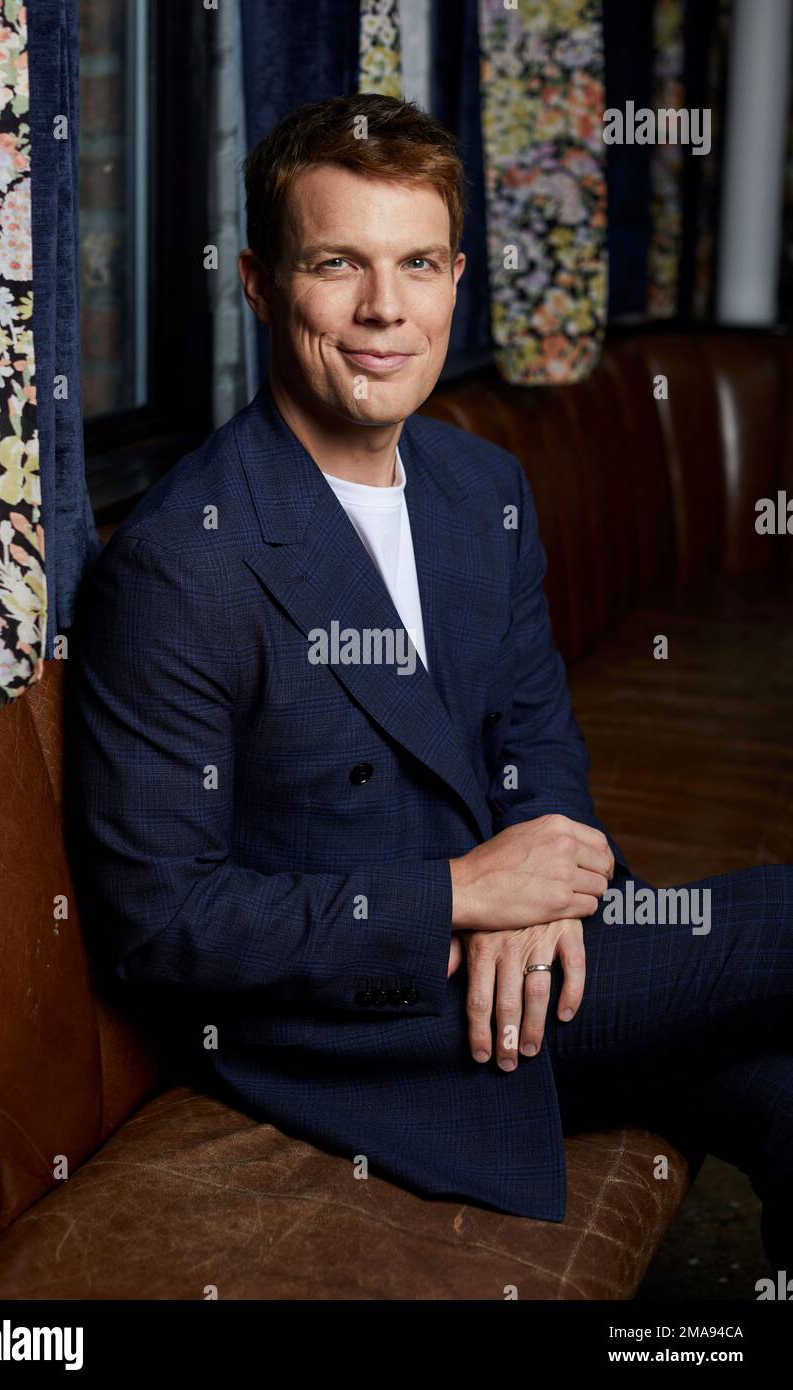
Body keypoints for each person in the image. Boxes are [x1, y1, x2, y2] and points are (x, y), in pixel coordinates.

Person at [68, 93, 793, 1272]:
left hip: (534, 950)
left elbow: (535, 727)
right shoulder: (182, 559)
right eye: (338, 264)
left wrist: (544, 874)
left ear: (458, 277)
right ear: (259, 283)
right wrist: (461, 891)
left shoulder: (481, 487)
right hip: (371, 1020)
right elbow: (162, 927)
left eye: (416, 263)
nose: (383, 311)